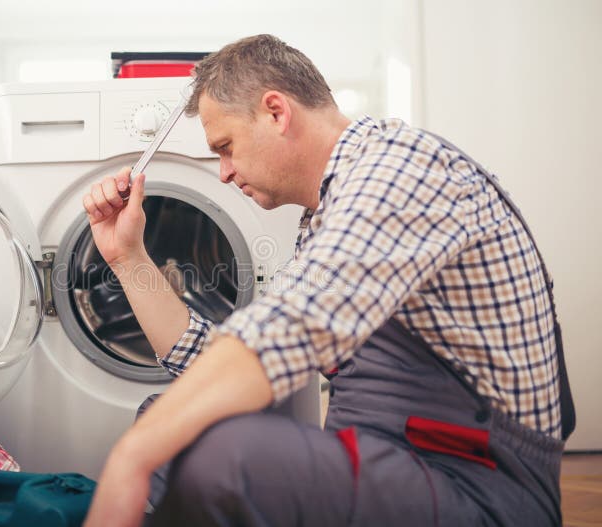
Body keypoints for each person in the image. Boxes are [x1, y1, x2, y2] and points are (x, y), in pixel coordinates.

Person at [81, 34, 575, 526]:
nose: (224, 173)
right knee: (171, 418)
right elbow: (214, 364)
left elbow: (296, 324)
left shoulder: (402, 165)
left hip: (477, 486)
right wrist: (127, 257)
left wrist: (134, 457)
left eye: (225, 147)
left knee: (222, 456)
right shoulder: (323, 219)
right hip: (395, 460)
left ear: (276, 111)